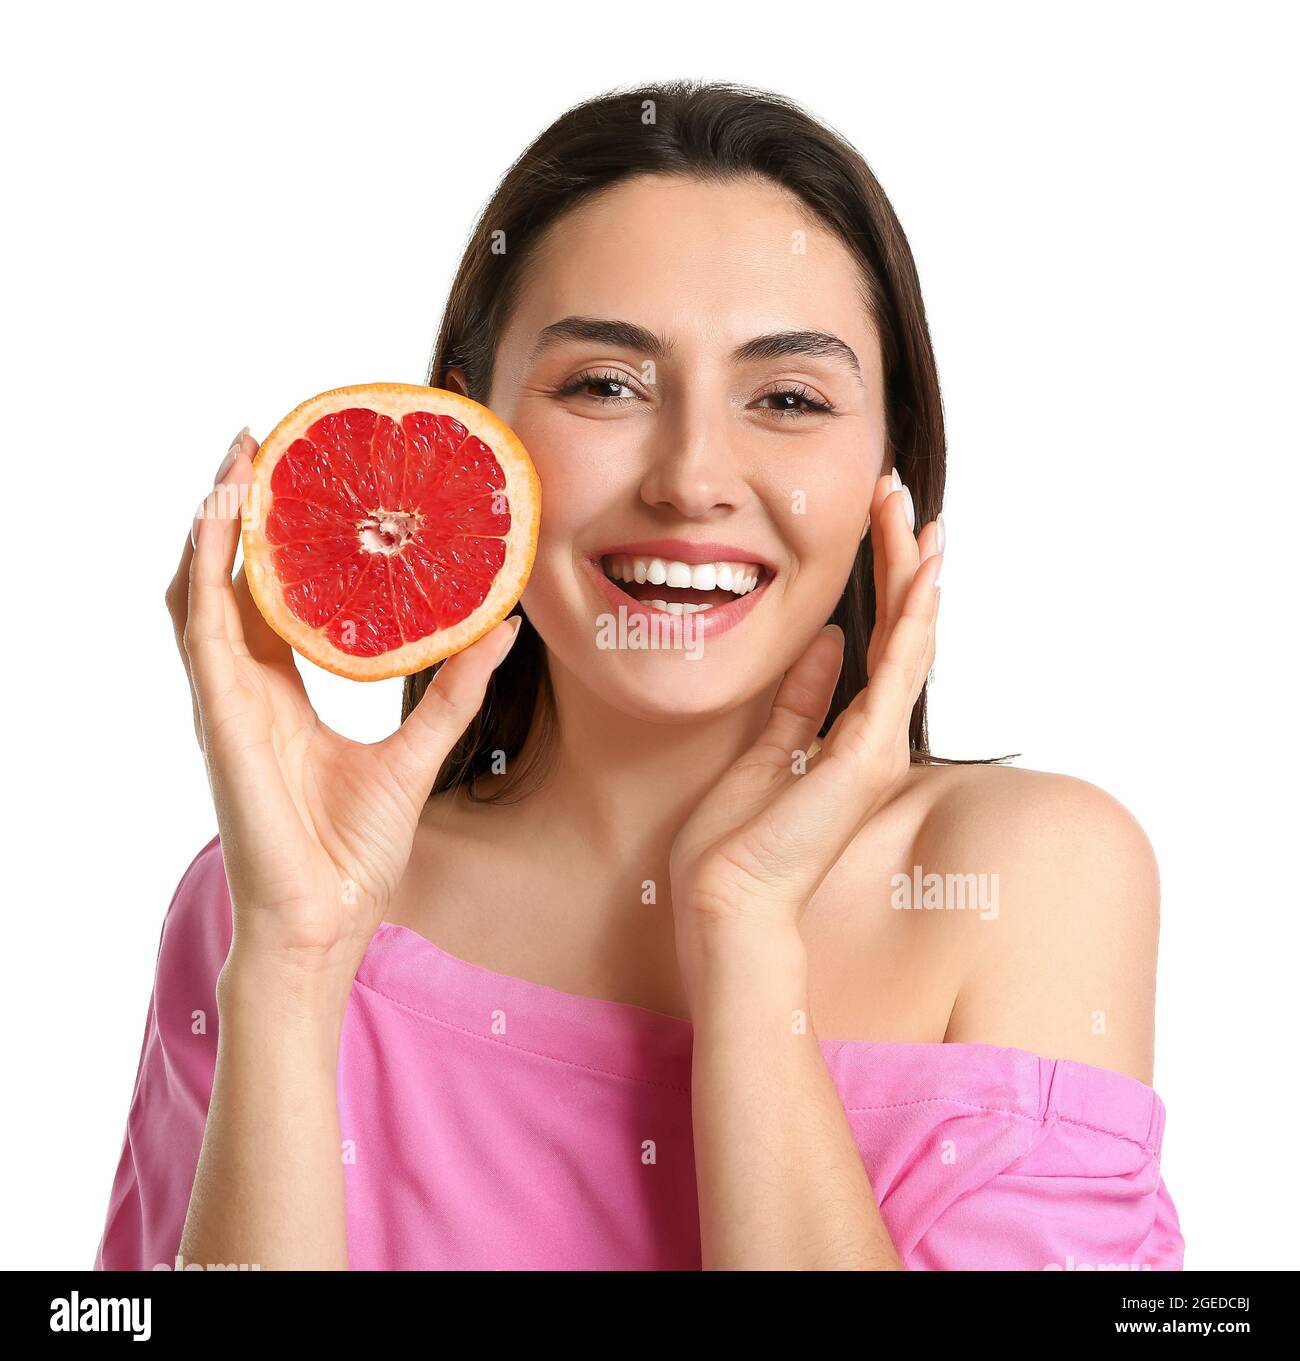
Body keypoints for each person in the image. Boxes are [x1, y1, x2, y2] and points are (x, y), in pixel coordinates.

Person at [96, 80, 1183, 1271]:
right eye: (606, 385)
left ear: (891, 464)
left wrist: (746, 940)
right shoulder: (268, 896)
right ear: (470, 437)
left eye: (788, 398)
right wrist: (293, 963)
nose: (691, 477)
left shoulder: (1025, 876)